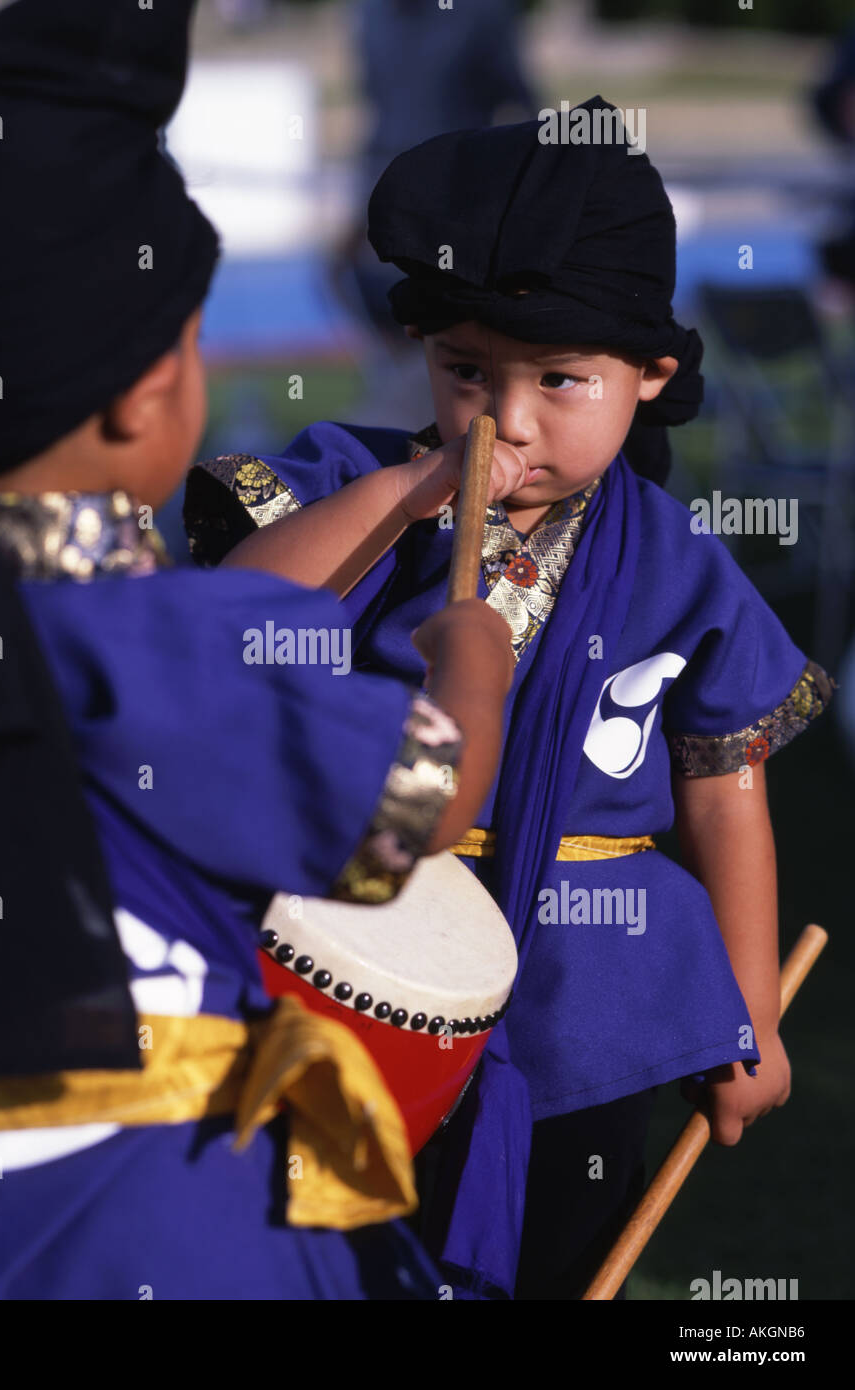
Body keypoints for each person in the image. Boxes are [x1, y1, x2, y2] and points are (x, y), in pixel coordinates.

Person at [0, 0, 516, 1300]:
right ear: (145, 391)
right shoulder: (157, 649)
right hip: (170, 1225)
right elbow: (423, 815)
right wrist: (469, 659)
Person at [184, 97, 834, 1299]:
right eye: (466, 370)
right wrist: (410, 489)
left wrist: (750, 1013)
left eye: (561, 380)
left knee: (559, 1251)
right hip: (353, 953)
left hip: (596, 999)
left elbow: (724, 786)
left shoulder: (683, 564)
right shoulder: (356, 484)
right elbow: (230, 612)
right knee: (322, 1244)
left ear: (650, 377)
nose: (506, 419)